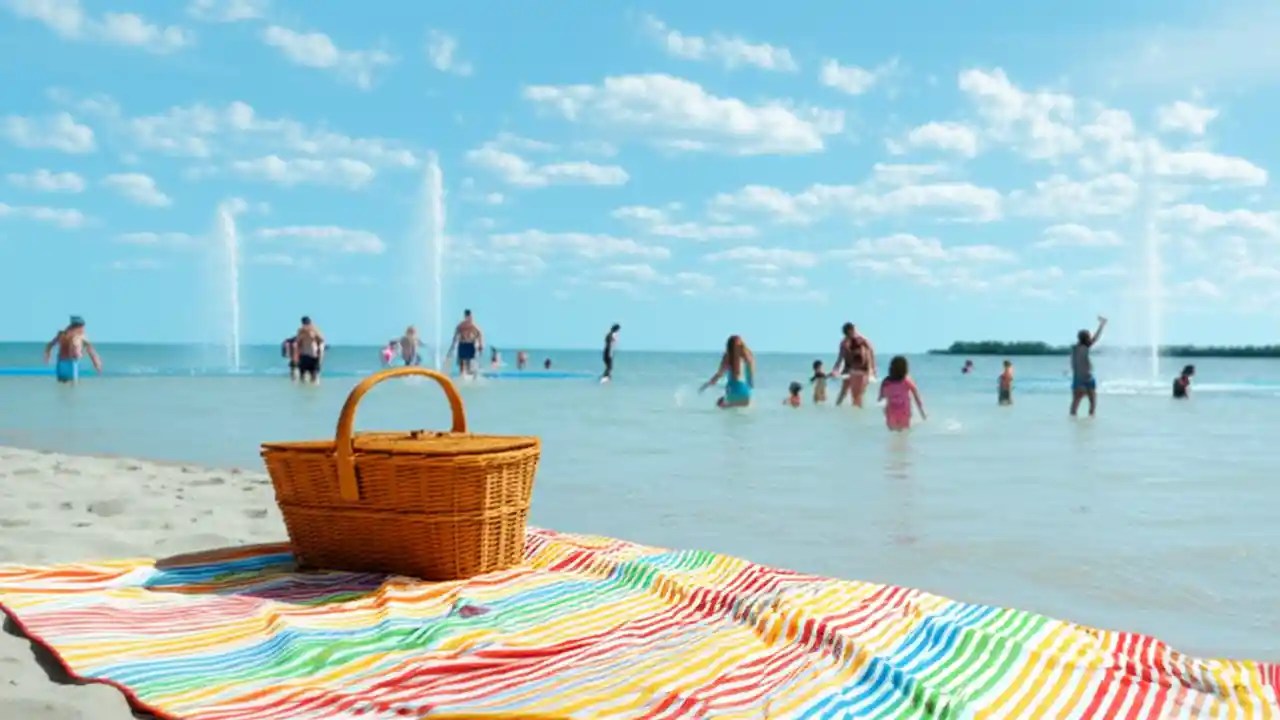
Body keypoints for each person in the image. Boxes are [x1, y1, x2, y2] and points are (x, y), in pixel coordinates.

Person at [699, 335, 755, 409]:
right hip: (746, 396)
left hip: (732, 392)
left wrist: (705, 386)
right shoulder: (749, 357)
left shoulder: (727, 357)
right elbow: (751, 380)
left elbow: (719, 375)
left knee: (719, 403)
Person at [43, 316, 101, 383]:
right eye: (83, 327)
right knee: (73, 385)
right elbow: (91, 351)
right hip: (72, 362)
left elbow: (50, 345)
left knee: (61, 383)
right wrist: (97, 364)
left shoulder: (61, 335)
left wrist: (47, 355)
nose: (84, 329)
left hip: (61, 362)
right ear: (80, 327)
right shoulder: (81, 336)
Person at [1070, 316, 1108, 417]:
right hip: (1087, 378)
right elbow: (1096, 338)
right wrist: (1102, 325)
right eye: (1088, 336)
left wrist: (1101, 325)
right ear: (1087, 338)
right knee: (1092, 405)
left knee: (1075, 405)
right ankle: (1090, 424)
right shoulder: (1084, 347)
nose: (1090, 338)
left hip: (1079, 379)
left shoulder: (1075, 348)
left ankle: (1073, 426)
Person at [832, 322, 877, 407]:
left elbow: (871, 352)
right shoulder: (844, 343)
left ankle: (858, 413)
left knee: (859, 394)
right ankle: (837, 408)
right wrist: (835, 369)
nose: (851, 335)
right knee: (844, 391)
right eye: (847, 334)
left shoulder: (863, 340)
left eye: (852, 332)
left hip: (863, 369)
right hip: (849, 368)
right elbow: (840, 358)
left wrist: (873, 368)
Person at [878, 355, 926, 431]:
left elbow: (880, 398)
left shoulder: (886, 382)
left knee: (893, 432)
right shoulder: (906, 381)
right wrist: (922, 413)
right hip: (904, 411)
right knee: (904, 432)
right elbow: (916, 396)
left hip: (891, 411)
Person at [447, 309, 484, 376]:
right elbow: (455, 336)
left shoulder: (472, 325)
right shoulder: (461, 325)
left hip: (470, 344)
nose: (470, 318)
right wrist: (452, 347)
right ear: (466, 316)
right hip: (462, 344)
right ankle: (463, 376)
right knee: (462, 362)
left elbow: (480, 333)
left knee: (469, 362)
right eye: (469, 316)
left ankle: (470, 375)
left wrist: (480, 344)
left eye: (470, 316)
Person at [292, 316, 325, 384]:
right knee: (303, 378)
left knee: (314, 377)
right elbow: (296, 344)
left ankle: (312, 393)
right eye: (304, 324)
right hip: (305, 356)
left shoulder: (315, 330)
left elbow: (322, 341)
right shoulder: (301, 331)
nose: (306, 325)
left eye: (307, 323)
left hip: (313, 356)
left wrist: (320, 357)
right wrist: (295, 358)